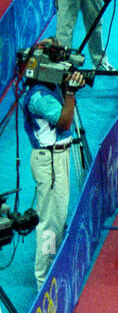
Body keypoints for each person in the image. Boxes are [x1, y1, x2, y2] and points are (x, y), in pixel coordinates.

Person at [18, 40, 84, 286]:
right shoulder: (38, 97)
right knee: (49, 223)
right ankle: (43, 279)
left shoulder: (48, 85)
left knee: (59, 217)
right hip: (49, 162)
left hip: (59, 157)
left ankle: (55, 265)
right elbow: (65, 122)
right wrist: (70, 93)